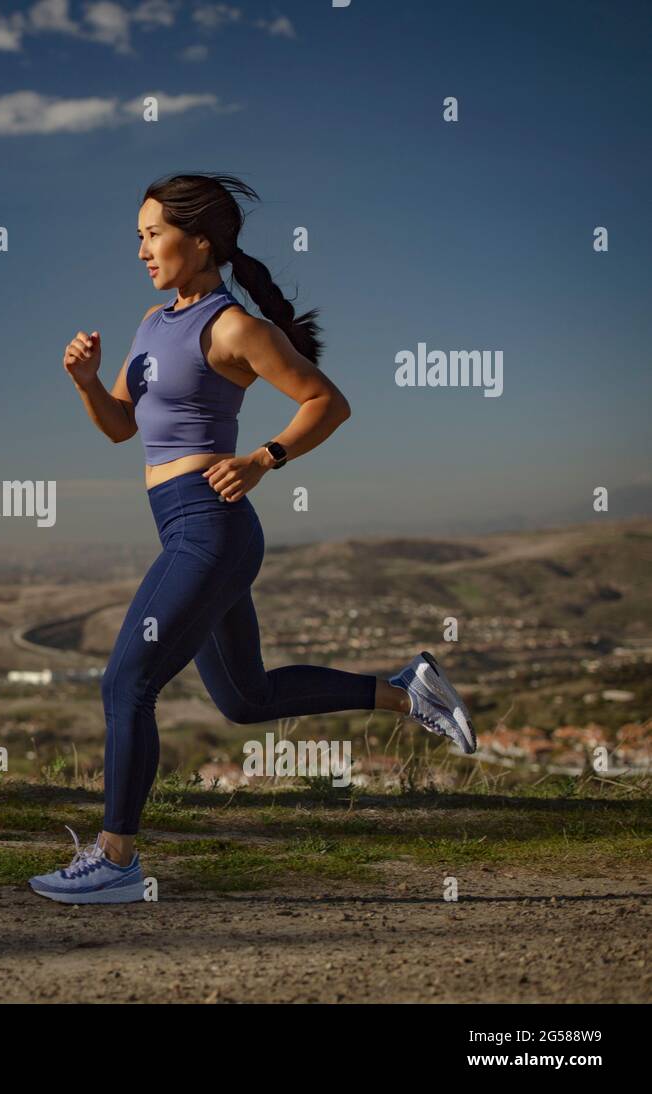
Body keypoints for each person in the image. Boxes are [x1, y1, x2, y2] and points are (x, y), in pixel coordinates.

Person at [28, 173, 476, 905]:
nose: (141, 248)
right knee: (245, 698)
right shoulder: (151, 321)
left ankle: (116, 860)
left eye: (152, 233)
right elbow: (121, 428)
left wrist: (265, 458)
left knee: (125, 682)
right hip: (184, 527)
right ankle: (403, 691)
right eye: (138, 235)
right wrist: (84, 382)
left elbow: (327, 401)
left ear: (200, 240)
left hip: (212, 528)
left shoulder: (230, 326)